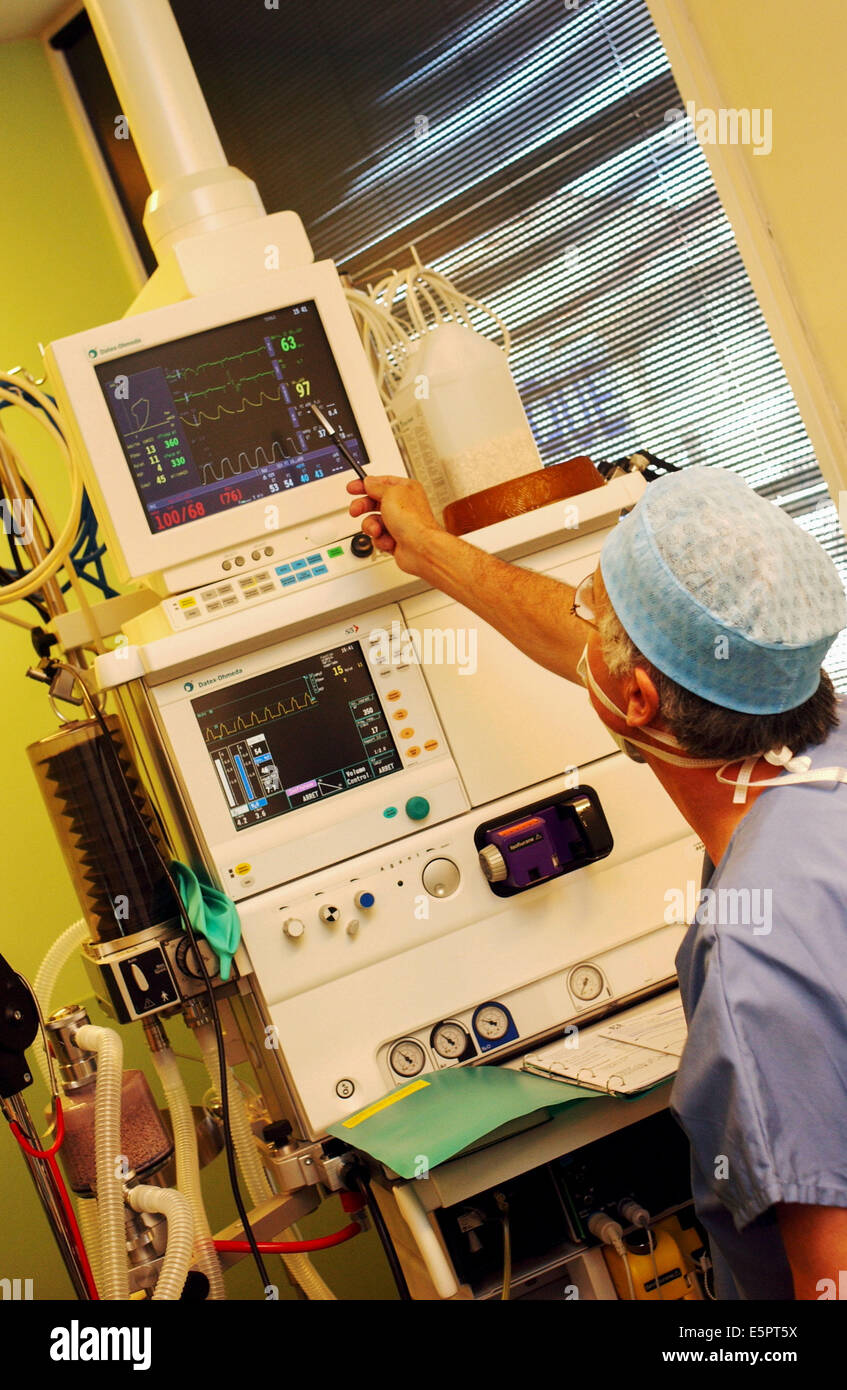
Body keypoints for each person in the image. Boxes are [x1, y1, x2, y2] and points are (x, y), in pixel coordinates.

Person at [348, 464, 847, 1301]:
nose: (578, 619)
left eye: (592, 603)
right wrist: (429, 548)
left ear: (635, 699)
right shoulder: (806, 737)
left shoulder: (754, 974)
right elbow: (606, 649)